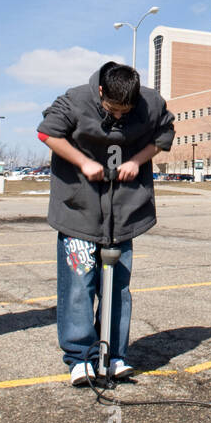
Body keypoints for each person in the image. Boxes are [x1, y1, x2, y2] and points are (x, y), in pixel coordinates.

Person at [37, 61, 174, 385]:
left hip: (123, 212)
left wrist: (136, 162)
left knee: (118, 287)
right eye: (112, 110)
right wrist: (84, 162)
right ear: (101, 92)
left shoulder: (150, 103)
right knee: (80, 285)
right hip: (78, 210)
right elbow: (46, 133)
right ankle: (79, 357)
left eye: (126, 111)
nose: (119, 117)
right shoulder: (74, 100)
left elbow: (165, 134)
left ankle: (114, 355)